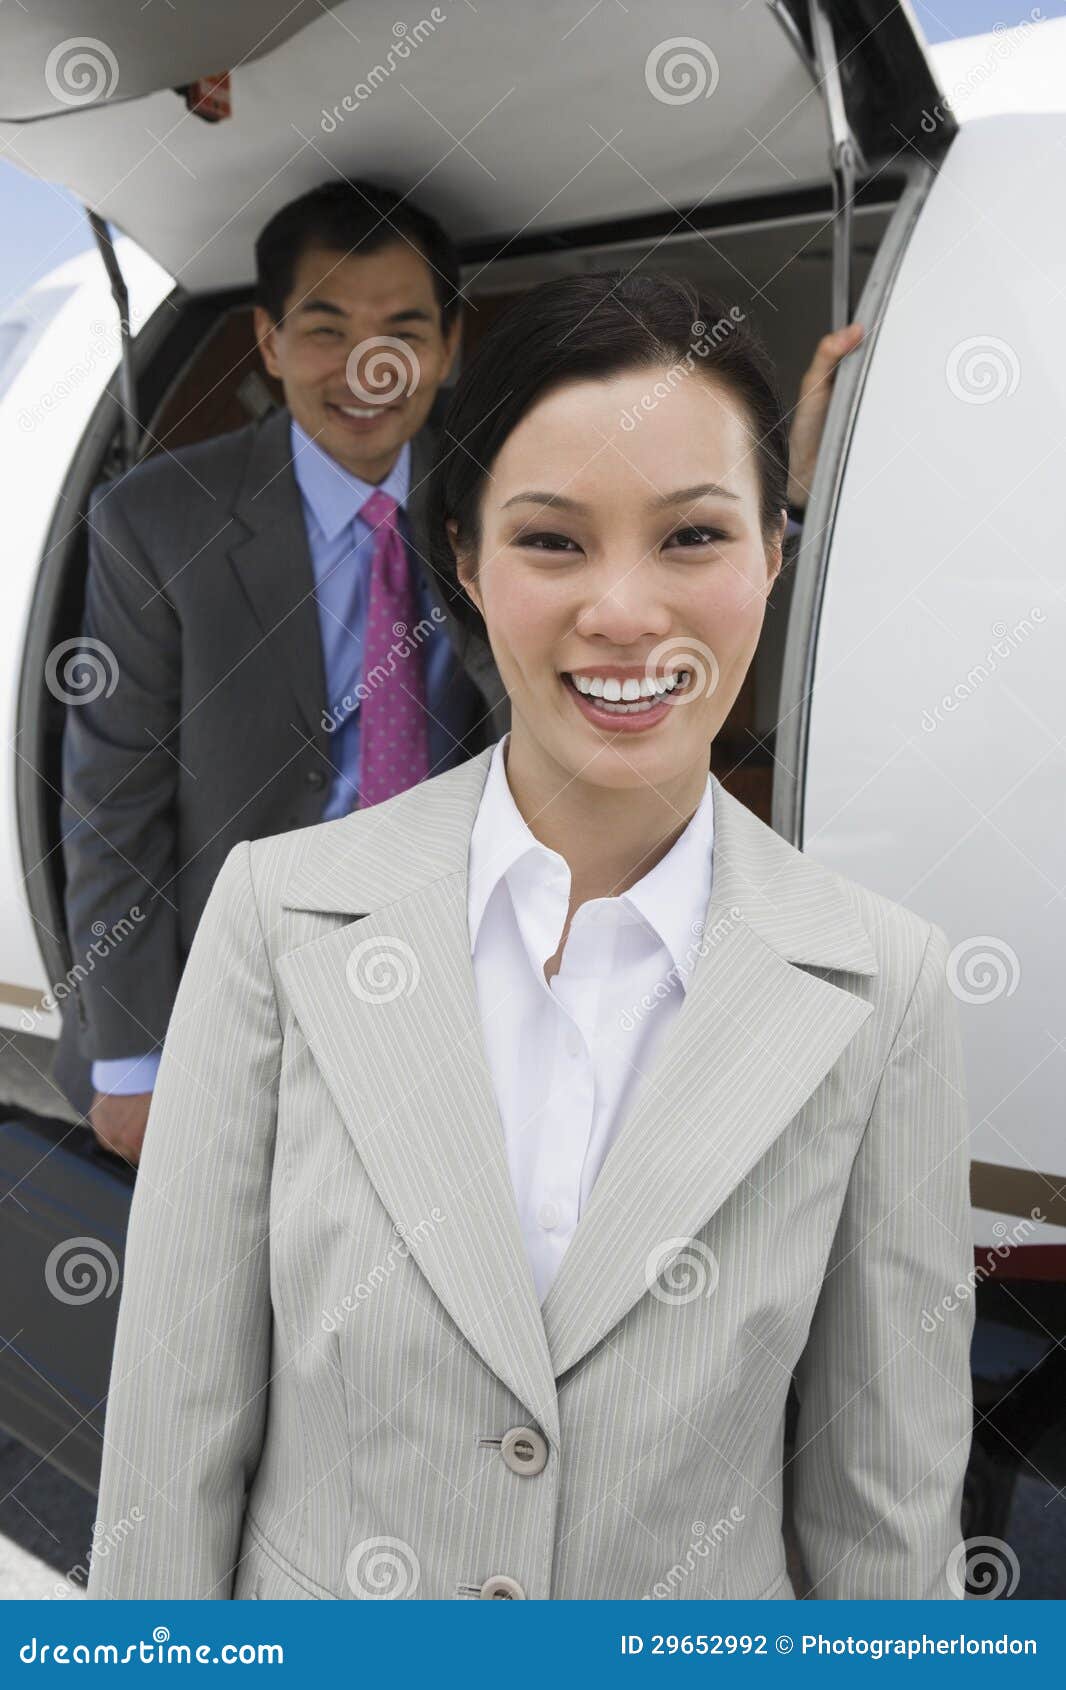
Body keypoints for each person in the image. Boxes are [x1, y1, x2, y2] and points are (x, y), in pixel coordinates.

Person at [86, 270, 973, 1601]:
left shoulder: (880, 985)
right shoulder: (276, 920)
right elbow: (172, 1451)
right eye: (552, 540)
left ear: (773, 553)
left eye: (692, 538)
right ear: (465, 556)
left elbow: (882, 1519)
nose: (622, 611)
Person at [55, 179, 506, 1166]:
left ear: (449, 342)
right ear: (267, 342)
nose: (369, 368)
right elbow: (112, 798)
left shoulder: (494, 493)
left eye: (403, 329)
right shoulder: (155, 519)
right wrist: (133, 1063)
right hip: (243, 983)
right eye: (325, 329)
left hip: (445, 970)